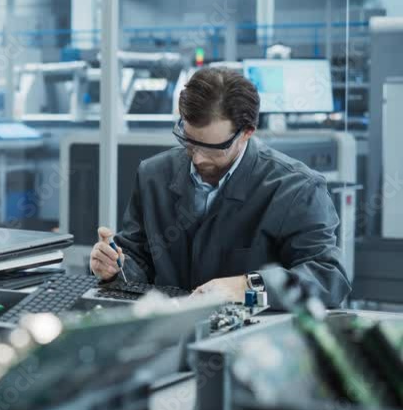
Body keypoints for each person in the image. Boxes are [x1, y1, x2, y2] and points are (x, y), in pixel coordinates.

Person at [89, 67, 350, 307]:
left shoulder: (297, 189)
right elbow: (138, 257)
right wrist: (115, 267)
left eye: (214, 148)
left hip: (254, 338)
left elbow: (327, 277)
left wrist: (248, 286)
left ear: (247, 132)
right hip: (167, 330)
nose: (198, 158)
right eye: (189, 141)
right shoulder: (153, 175)